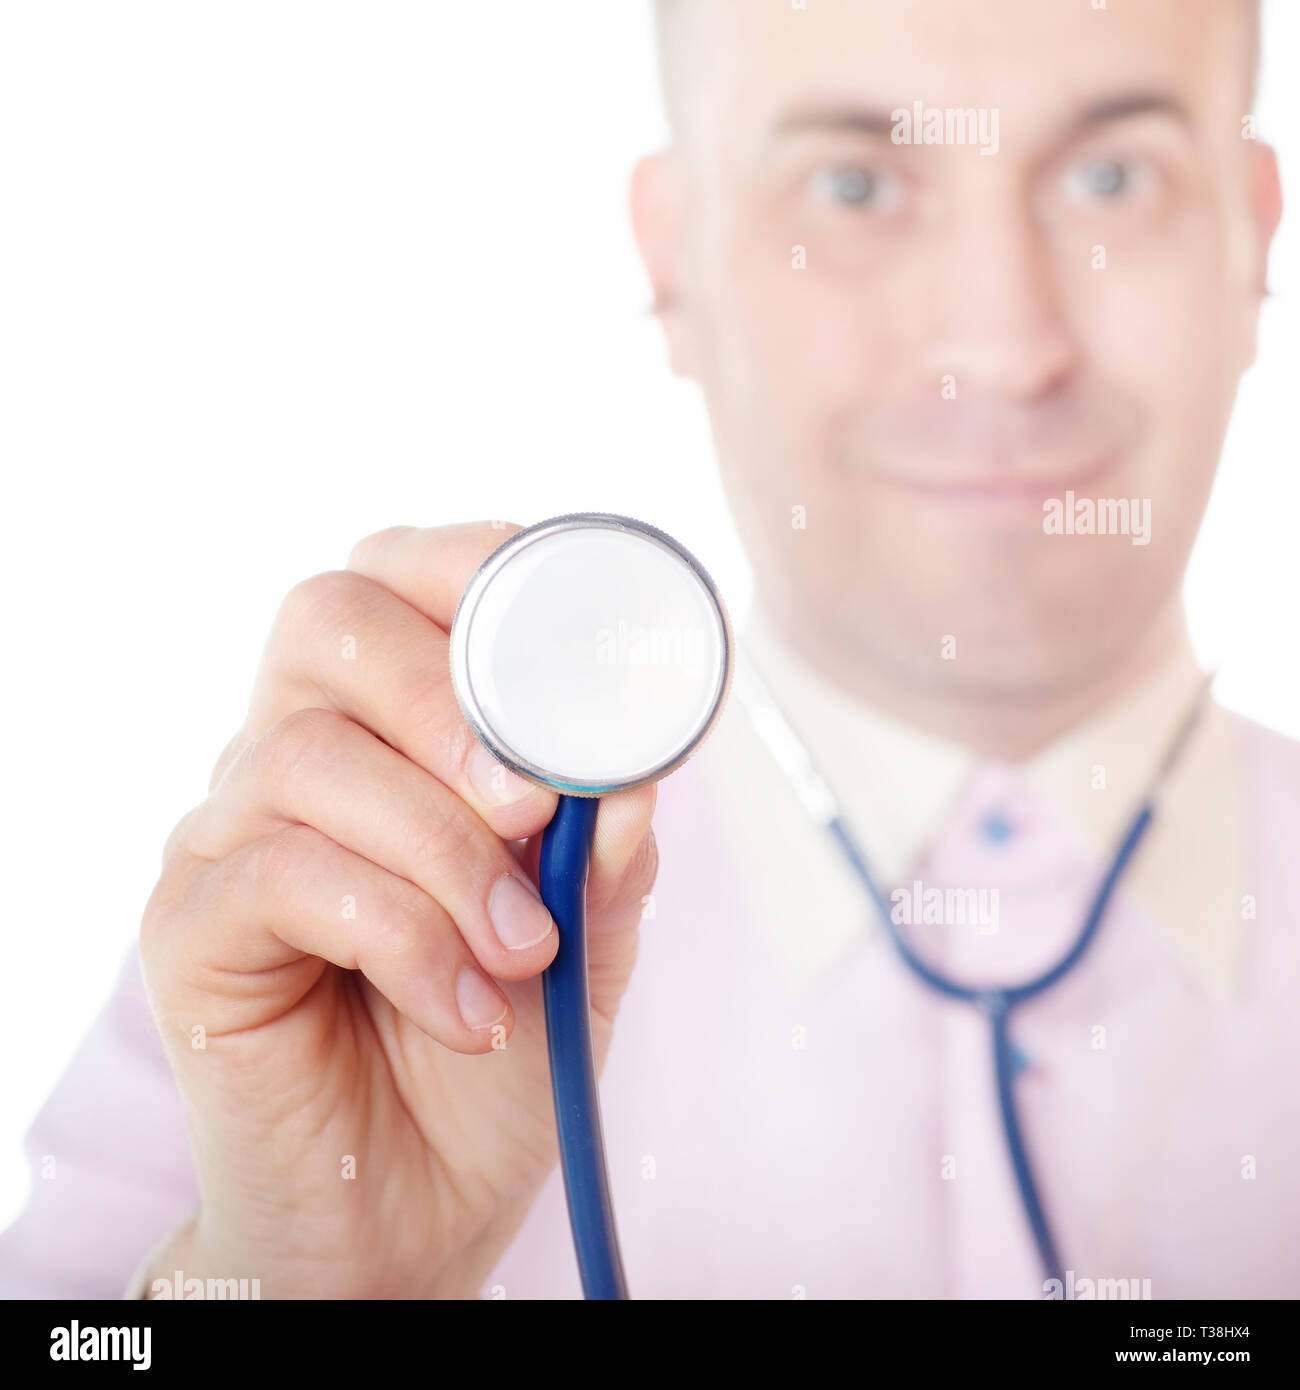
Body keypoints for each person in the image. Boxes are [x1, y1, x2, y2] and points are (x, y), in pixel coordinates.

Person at [2, 0, 1294, 1300]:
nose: (1001, 349)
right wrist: (288, 1288)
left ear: (1256, 236)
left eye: (1112, 177)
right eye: (852, 186)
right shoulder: (348, 925)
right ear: (675, 265)